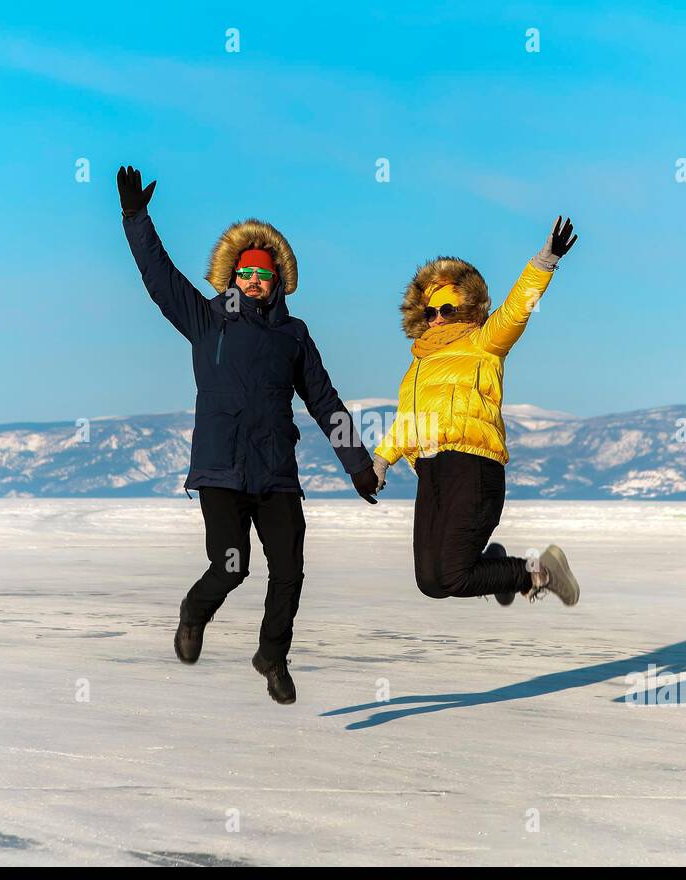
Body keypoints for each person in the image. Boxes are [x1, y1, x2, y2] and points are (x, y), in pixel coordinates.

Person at [118, 166, 380, 704]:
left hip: (276, 471)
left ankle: (272, 655)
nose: (254, 282)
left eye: (263, 275)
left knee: (289, 570)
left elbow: (324, 400)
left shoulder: (294, 335)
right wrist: (135, 218)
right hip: (220, 469)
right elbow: (159, 277)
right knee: (232, 563)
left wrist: (357, 463)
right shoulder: (206, 320)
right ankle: (195, 611)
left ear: (278, 280)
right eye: (246, 274)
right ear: (232, 277)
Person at [372, 217, 581, 607]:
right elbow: (407, 423)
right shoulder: (417, 366)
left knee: (453, 572)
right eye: (430, 311)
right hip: (431, 472)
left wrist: (545, 261)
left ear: (465, 307)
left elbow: (517, 311)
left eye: (446, 309)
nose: (437, 318)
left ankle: (542, 570)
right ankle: (495, 566)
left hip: (472, 466)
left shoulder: (483, 341)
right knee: (431, 582)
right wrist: (382, 460)